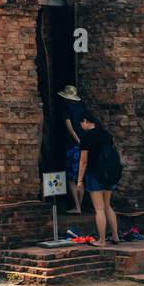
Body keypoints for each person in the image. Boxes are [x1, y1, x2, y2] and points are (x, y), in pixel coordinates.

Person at [77, 113, 122, 246]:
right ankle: (115, 236)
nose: (81, 126)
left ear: (85, 120)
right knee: (108, 206)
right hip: (109, 174)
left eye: (81, 123)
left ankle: (102, 240)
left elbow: (83, 161)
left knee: (99, 209)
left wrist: (79, 180)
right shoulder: (105, 134)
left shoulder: (86, 136)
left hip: (94, 174)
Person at [57, 85, 85, 214]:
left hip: (73, 146)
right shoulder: (81, 108)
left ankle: (77, 207)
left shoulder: (66, 109)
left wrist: (77, 140)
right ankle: (80, 205)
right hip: (83, 147)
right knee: (80, 178)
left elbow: (69, 128)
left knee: (71, 178)